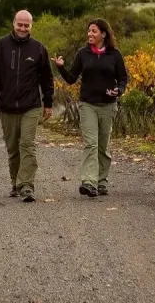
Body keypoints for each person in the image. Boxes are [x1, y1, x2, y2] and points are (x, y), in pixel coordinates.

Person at [52, 18, 128, 198]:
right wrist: (61, 68)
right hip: (87, 105)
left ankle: (101, 181)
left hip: (108, 106)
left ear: (103, 34)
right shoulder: (83, 54)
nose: (90, 34)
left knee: (103, 146)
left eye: (94, 31)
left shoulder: (115, 55)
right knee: (91, 144)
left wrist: (119, 90)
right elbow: (71, 79)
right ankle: (89, 182)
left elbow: (123, 78)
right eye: (88, 31)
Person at [0, 10, 54, 202]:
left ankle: (27, 186)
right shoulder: (0, 46)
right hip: (7, 107)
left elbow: (47, 78)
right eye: (20, 24)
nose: (23, 28)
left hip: (31, 106)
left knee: (27, 145)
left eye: (27, 25)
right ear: (13, 23)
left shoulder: (39, 49)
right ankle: (15, 182)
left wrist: (48, 103)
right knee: (13, 148)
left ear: (31, 26)